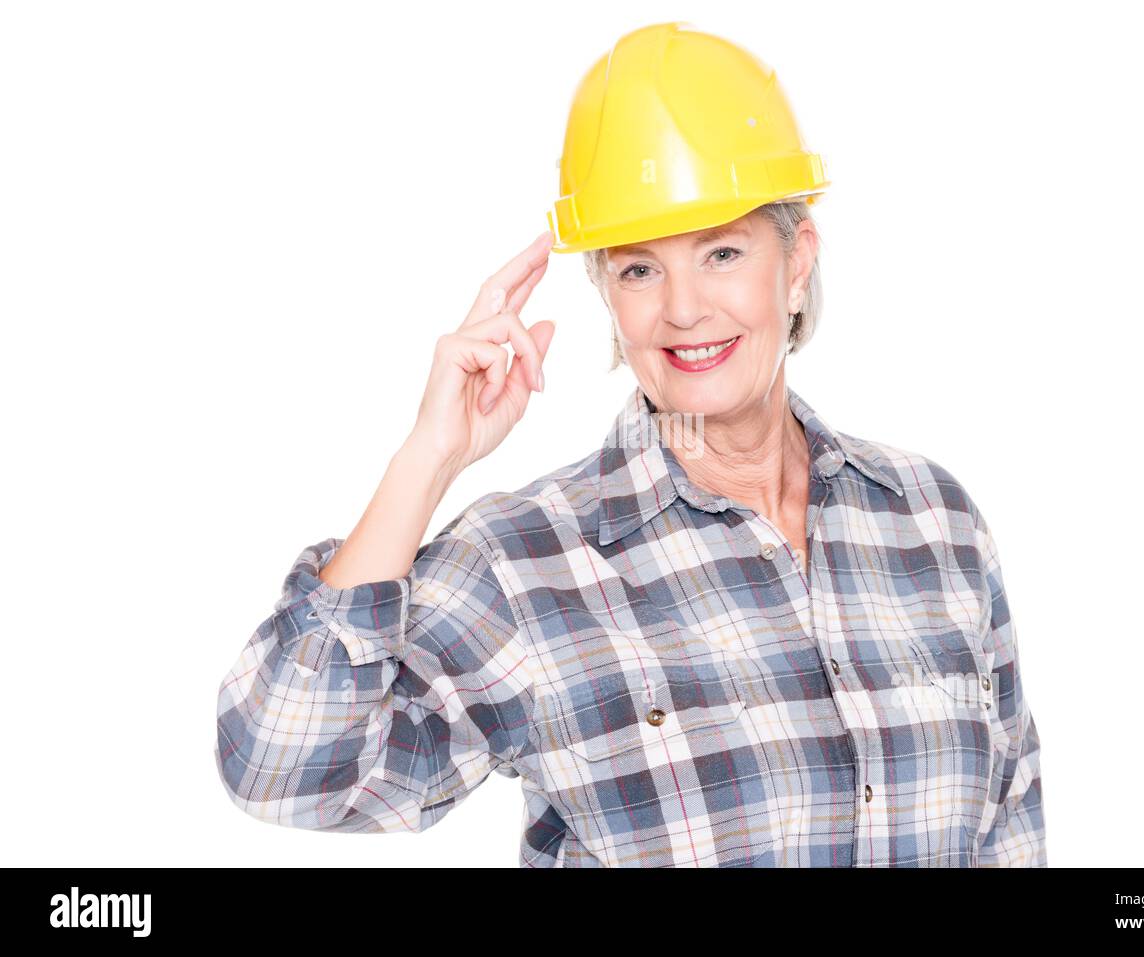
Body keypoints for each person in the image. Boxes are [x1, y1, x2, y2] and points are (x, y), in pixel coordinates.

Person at [214, 21, 1046, 867]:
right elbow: (282, 766)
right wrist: (426, 458)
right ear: (606, 292)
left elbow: (1010, 831)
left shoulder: (931, 520)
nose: (682, 309)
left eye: (721, 251)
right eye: (639, 268)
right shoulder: (528, 563)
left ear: (796, 264)